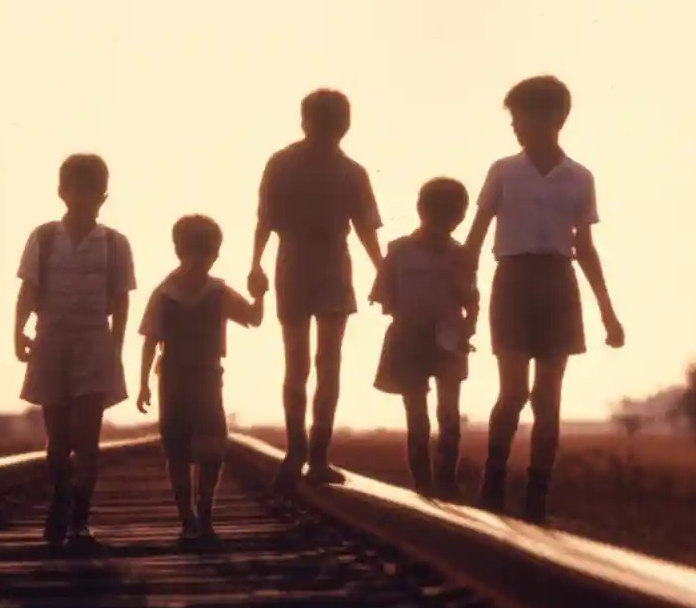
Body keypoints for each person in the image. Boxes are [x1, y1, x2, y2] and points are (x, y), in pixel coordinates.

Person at [465, 76, 625, 525]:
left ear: (552, 119)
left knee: (548, 397)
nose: (515, 126)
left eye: (520, 117)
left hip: (558, 283)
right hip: (512, 280)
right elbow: (475, 238)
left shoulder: (579, 178)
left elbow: (585, 248)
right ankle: (492, 489)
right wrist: (464, 293)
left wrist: (608, 313)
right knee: (512, 391)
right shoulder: (503, 171)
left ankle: (537, 498)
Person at [248, 89, 384, 490]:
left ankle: (305, 452)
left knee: (307, 364)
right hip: (315, 263)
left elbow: (264, 222)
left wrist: (256, 263)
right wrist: (255, 263)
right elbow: (365, 229)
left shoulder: (287, 164)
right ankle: (308, 452)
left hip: (307, 262)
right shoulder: (344, 171)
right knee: (321, 364)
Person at [14, 154, 136, 546]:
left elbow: (120, 300)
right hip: (51, 342)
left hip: (94, 344)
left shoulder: (115, 244)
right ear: (62, 192)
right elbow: (29, 289)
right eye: (75, 191)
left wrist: (114, 348)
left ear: (102, 197)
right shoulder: (44, 238)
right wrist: (18, 331)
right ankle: (60, 501)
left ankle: (79, 518)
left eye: (90, 193)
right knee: (58, 442)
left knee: (87, 439)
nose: (82, 200)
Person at [137, 215, 264, 541]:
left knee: (211, 448)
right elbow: (150, 339)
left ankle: (203, 516)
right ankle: (188, 520)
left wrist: (261, 294)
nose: (210, 259)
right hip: (177, 379)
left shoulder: (217, 291)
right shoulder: (164, 294)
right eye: (208, 252)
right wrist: (142, 384)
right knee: (177, 450)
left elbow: (253, 317)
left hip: (205, 378)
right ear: (183, 251)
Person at [370, 178, 479, 498]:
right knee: (419, 414)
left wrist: (467, 328)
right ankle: (425, 484)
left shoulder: (460, 255)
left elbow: (471, 299)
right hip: (410, 338)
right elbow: (384, 295)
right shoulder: (399, 250)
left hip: (446, 339)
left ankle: (444, 481)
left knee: (446, 413)